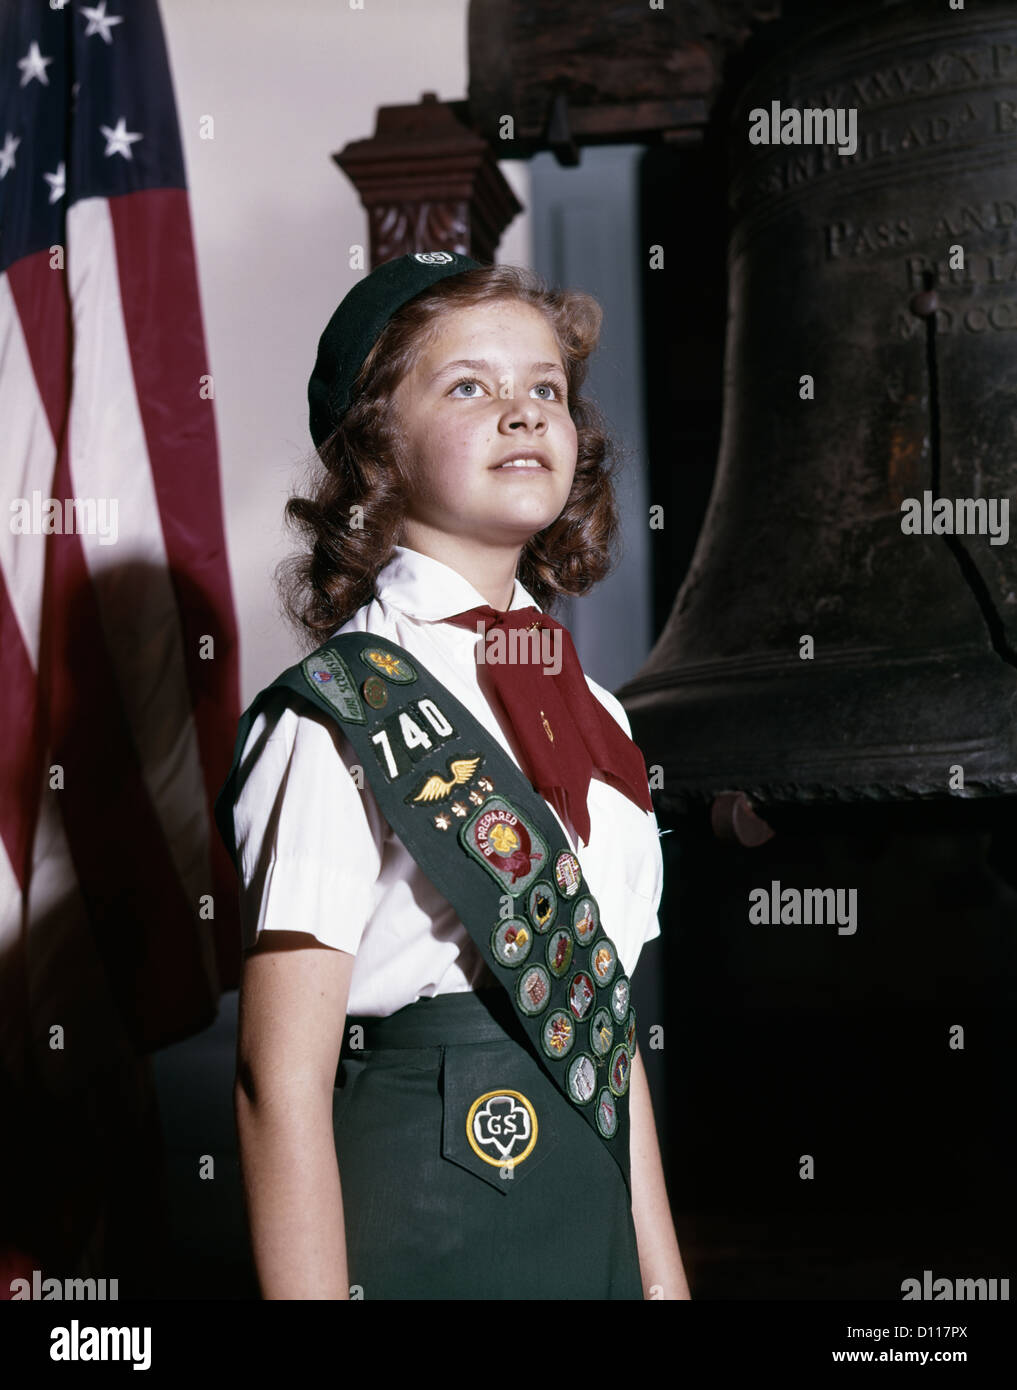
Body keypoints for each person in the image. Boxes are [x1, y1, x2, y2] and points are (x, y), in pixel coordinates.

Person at [219, 251, 691, 1300]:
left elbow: (602, 1033)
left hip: (588, 1195)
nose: (523, 412)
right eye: (470, 385)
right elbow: (274, 1084)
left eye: (547, 390)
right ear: (381, 445)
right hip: (425, 1202)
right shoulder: (336, 711)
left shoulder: (600, 718)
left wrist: (662, 1283)